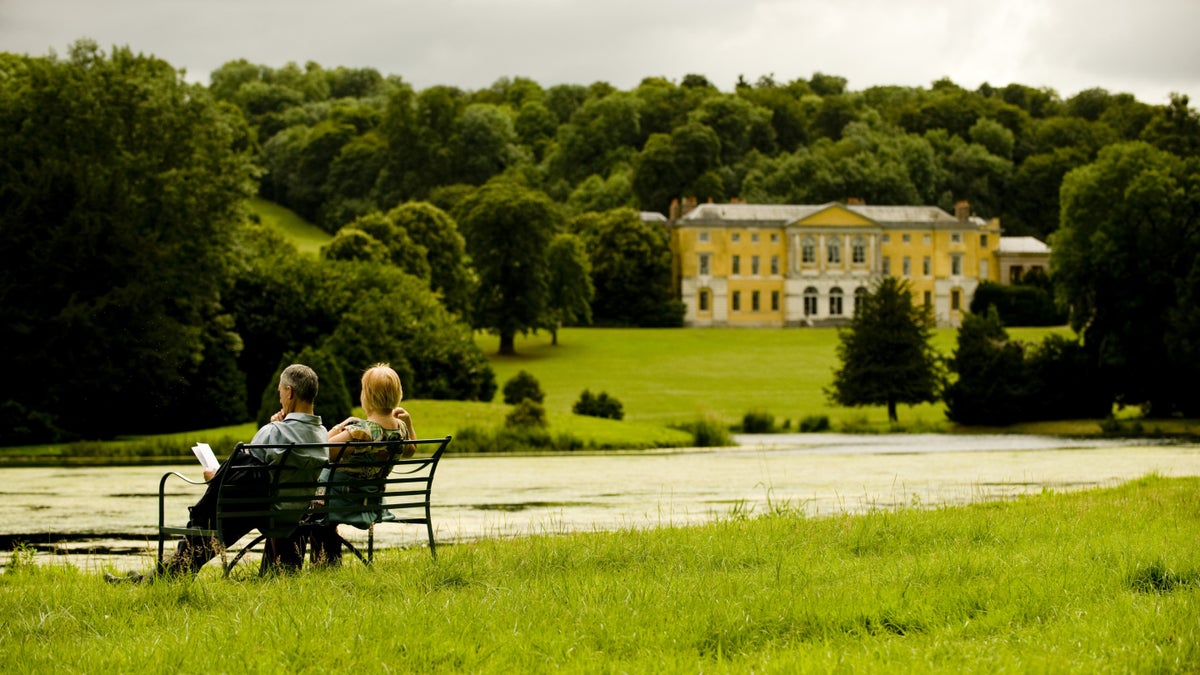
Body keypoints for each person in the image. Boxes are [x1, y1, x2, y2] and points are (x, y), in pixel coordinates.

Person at [107, 363, 328, 582]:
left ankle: (164, 576)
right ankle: (159, 576)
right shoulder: (322, 436)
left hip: (264, 510)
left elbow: (240, 480)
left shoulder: (272, 433)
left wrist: (215, 478)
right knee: (223, 518)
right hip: (294, 512)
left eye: (280, 392)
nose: (280, 398)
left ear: (289, 392)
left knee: (213, 517)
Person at [308, 362, 413, 566]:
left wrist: (339, 428)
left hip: (339, 502)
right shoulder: (400, 429)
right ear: (398, 394)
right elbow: (410, 451)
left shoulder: (360, 432)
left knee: (305, 504)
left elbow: (318, 450)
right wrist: (408, 423)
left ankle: (321, 564)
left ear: (366, 396)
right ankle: (328, 563)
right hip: (370, 501)